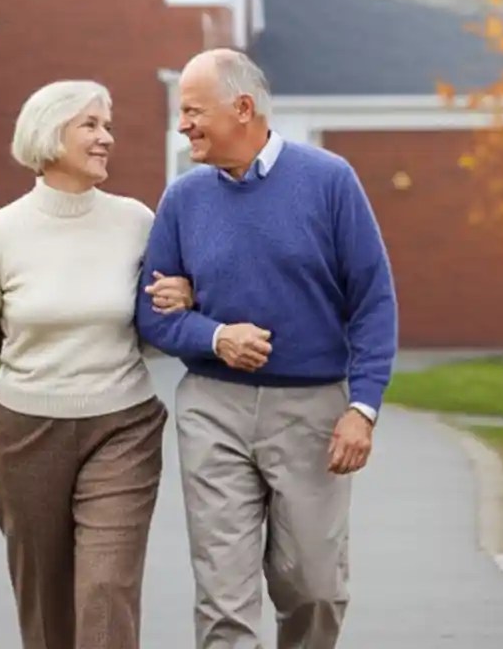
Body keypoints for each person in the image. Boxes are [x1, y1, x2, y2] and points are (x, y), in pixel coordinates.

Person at [136, 49, 399, 649]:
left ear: (243, 109)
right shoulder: (183, 200)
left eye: (194, 111)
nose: (184, 126)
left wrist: (363, 407)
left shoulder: (330, 181)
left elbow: (374, 301)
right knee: (223, 597)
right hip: (213, 407)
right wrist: (214, 336)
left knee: (314, 588)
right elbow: (151, 312)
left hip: (313, 412)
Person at [0, 79, 194, 649]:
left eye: (108, 125)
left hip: (122, 427)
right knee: (46, 607)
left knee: (105, 591)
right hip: (26, 435)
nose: (107, 138)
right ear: (50, 136)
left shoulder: (137, 222)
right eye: (91, 126)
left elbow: (155, 331)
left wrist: (183, 300)